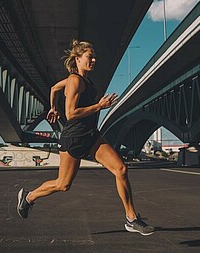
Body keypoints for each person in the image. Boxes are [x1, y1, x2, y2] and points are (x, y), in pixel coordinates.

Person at [17, 40, 154, 236]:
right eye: (90, 57)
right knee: (63, 185)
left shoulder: (82, 80)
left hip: (91, 136)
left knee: (121, 169)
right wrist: (99, 106)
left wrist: (53, 107)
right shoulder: (74, 80)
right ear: (78, 59)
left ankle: (131, 219)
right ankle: (29, 198)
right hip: (74, 138)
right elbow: (71, 113)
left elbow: (54, 88)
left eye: (94, 57)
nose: (94, 60)